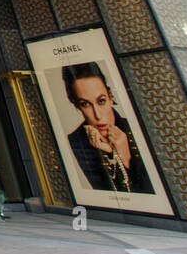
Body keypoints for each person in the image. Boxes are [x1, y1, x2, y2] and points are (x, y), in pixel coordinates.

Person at [61, 62, 154, 195]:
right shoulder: (78, 139)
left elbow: (151, 193)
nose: (98, 115)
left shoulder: (135, 127)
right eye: (85, 104)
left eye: (101, 101)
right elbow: (106, 192)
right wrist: (112, 154)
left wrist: (126, 157)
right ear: (76, 105)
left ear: (110, 97)